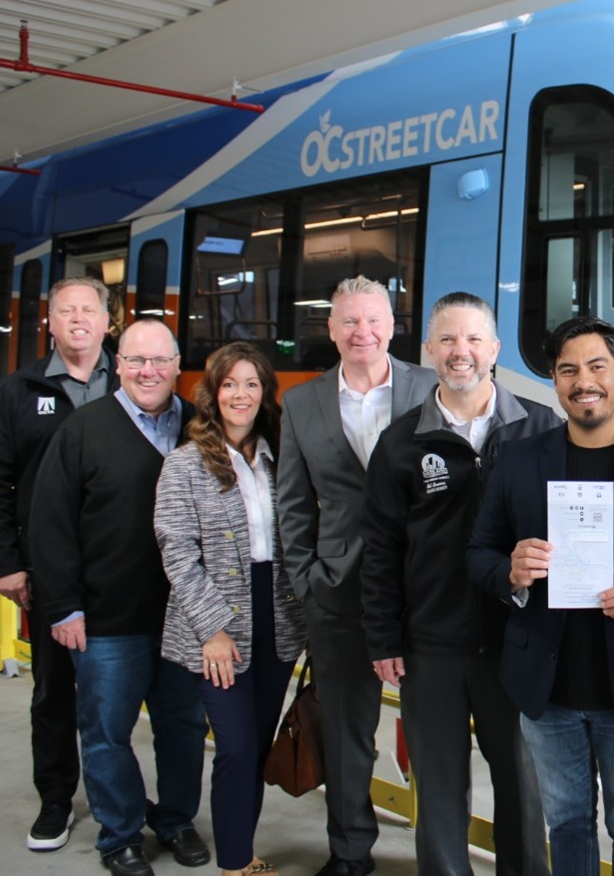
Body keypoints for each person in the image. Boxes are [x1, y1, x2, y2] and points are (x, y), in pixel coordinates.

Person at [467, 317, 614, 876]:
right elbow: (478, 553)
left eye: (597, 367)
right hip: (547, 688)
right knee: (565, 824)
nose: (583, 381)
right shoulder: (518, 459)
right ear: (554, 378)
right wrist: (511, 571)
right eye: (569, 370)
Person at [360, 291, 556, 876]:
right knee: (439, 789)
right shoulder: (400, 443)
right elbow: (380, 550)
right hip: (431, 647)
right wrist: (383, 639)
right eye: (447, 339)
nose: (460, 351)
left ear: (495, 350)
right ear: (428, 351)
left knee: (523, 787)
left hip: (516, 644)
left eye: (473, 339)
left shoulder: (540, 430)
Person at [28, 319, 210, 876]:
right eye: (135, 361)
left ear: (179, 366)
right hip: (107, 621)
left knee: (183, 729)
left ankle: (176, 819)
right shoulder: (83, 430)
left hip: (185, 621)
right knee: (107, 731)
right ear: (119, 365)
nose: (148, 371)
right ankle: (120, 835)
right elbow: (49, 524)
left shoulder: (202, 429)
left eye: (159, 361)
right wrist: (64, 606)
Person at [277, 275, 437, 876]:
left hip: (424, 588)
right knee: (347, 734)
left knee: (433, 732)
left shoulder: (430, 387)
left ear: (393, 327)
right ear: (331, 329)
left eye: (373, 320)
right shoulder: (301, 402)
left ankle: (439, 853)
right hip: (337, 591)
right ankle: (349, 853)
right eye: (348, 321)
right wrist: (307, 579)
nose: (361, 332)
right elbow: (292, 502)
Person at [155, 342, 308, 876]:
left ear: (265, 393)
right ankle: (236, 863)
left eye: (251, 384)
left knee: (258, 743)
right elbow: (177, 550)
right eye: (229, 384)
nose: (240, 395)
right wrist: (212, 630)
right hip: (216, 622)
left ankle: (242, 850)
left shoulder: (281, 455)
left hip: (278, 618)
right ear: (212, 393)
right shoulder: (184, 463)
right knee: (237, 747)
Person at [0, 276, 114, 852]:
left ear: (109, 321)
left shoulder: (138, 381)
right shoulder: (19, 390)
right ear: (49, 323)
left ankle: (122, 804)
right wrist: (9, 564)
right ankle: (56, 800)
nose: (78, 319)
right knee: (53, 693)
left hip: (125, 571)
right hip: (49, 574)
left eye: (89, 309)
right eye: (66, 311)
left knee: (123, 693)